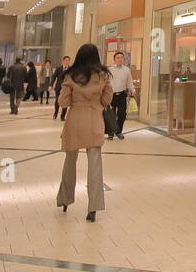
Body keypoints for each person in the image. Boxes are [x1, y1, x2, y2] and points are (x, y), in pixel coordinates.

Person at [56, 44, 113, 221]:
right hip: (94, 119)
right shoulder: (103, 76)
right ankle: (93, 207)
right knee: (95, 164)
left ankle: (65, 199)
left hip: (75, 120)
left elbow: (63, 102)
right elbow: (106, 100)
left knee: (70, 160)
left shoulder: (71, 76)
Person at [106, 51, 135, 139]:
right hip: (111, 95)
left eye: (121, 58)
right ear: (114, 59)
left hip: (122, 94)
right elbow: (105, 82)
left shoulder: (126, 70)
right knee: (111, 114)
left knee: (122, 114)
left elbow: (129, 81)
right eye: (117, 58)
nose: (120, 59)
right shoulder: (109, 69)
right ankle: (111, 132)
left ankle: (119, 131)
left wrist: (132, 89)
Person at [52, 55, 71, 120]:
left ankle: (63, 116)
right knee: (57, 100)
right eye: (66, 60)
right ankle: (55, 113)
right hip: (58, 87)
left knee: (65, 101)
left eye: (68, 60)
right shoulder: (58, 68)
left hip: (67, 88)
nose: (67, 62)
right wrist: (51, 85)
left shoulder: (71, 69)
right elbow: (54, 77)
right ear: (63, 61)